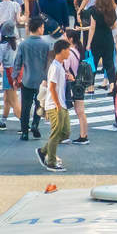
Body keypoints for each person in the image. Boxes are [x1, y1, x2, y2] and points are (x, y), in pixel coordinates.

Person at [35, 38, 72, 171]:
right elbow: (51, 87)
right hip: (56, 105)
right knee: (56, 133)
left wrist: (67, 77)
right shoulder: (55, 67)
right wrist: (57, 104)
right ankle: (50, 162)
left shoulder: (59, 66)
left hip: (61, 104)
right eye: (68, 50)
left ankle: (44, 151)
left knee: (65, 133)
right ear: (62, 51)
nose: (69, 52)